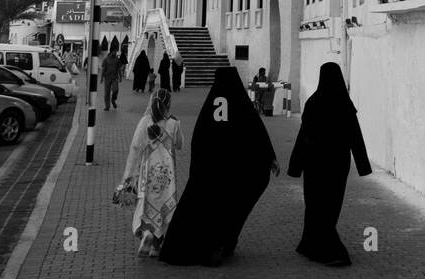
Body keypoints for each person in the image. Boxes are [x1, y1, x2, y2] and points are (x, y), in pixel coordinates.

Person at [160, 66, 279, 267]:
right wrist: (270, 157)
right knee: (230, 206)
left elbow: (199, 137)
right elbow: (256, 132)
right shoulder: (240, 103)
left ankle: (202, 247)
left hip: (210, 171)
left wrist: (196, 168)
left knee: (206, 209)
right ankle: (222, 243)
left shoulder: (210, 105)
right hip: (234, 170)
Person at [287, 62, 371, 267]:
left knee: (315, 204)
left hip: (314, 164)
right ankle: (325, 248)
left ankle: (318, 247)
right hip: (337, 164)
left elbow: (303, 136)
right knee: (331, 205)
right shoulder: (345, 103)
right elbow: (355, 136)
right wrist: (363, 166)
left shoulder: (314, 102)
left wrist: (295, 166)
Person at [117, 88, 184, 258]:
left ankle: (146, 233)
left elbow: (135, 147)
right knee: (164, 207)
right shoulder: (173, 123)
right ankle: (156, 245)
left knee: (144, 204)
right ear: (168, 104)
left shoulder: (144, 122)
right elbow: (179, 145)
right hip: (167, 176)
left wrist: (129, 174)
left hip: (148, 172)